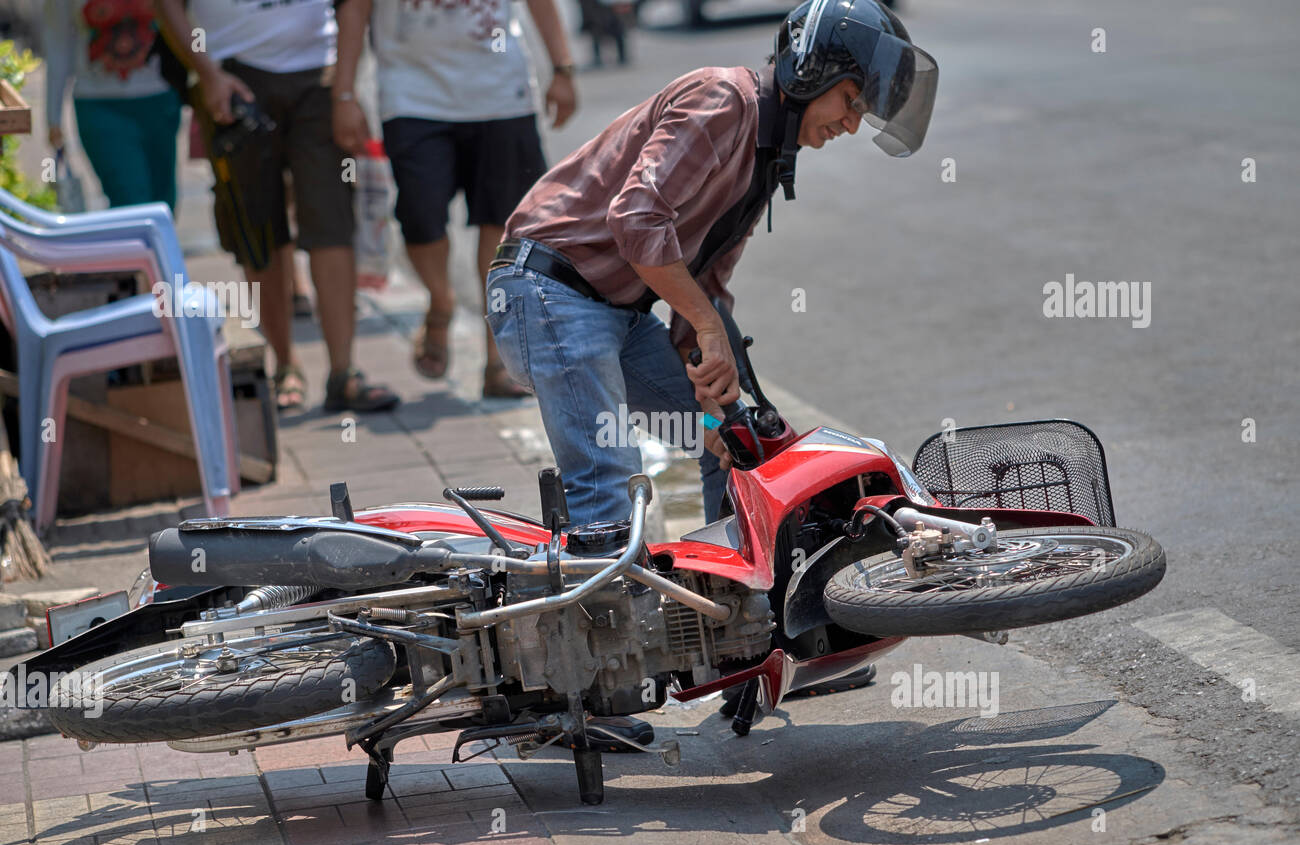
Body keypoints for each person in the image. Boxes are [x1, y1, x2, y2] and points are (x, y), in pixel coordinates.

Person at [486, 0, 937, 526]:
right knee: (606, 480)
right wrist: (705, 324)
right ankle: (606, 608)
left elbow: (705, 282)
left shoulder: (768, 155)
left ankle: (734, 598)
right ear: (813, 73)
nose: (852, 125)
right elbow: (636, 218)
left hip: (616, 314)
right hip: (549, 293)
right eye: (850, 101)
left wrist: (714, 376)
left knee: (733, 442)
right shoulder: (725, 99)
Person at [154, 0, 400, 414]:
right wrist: (208, 74)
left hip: (318, 77)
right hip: (235, 78)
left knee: (331, 221)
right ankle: (286, 364)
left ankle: (344, 371)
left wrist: (344, 91)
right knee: (258, 231)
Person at [332, 0, 578, 400]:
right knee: (420, 218)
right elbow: (355, 10)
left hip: (502, 94)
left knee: (504, 227)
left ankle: (499, 361)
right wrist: (343, 95)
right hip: (412, 96)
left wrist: (563, 68)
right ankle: (440, 299)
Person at [44, 0, 183, 209]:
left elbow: (191, 25)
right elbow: (58, 46)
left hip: (160, 101)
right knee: (130, 201)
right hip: (99, 105)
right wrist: (53, 118)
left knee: (164, 201)